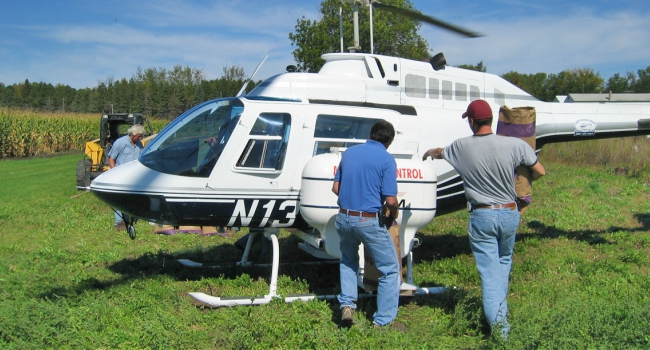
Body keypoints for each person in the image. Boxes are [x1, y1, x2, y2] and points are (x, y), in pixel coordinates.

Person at [422, 99, 546, 339]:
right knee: (503, 263)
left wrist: (430, 153)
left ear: (471, 121)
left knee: (490, 276)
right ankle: (500, 312)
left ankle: (501, 335)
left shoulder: (460, 147)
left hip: (483, 215)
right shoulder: (514, 144)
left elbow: (440, 152)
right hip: (510, 212)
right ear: (490, 120)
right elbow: (540, 171)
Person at [332, 120, 402, 329]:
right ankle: (383, 321)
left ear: (371, 134)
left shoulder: (349, 153)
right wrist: (394, 213)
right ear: (389, 141)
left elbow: (336, 188)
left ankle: (347, 305)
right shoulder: (386, 159)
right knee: (390, 269)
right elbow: (390, 200)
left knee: (348, 260)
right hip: (369, 220)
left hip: (344, 217)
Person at [108, 124, 145, 231]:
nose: (141, 138)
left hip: (135, 177)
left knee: (133, 198)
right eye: (139, 135)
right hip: (122, 176)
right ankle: (119, 222)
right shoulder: (120, 143)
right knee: (120, 199)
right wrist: (114, 173)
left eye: (141, 135)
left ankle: (132, 217)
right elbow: (111, 158)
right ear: (132, 134)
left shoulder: (139, 144)